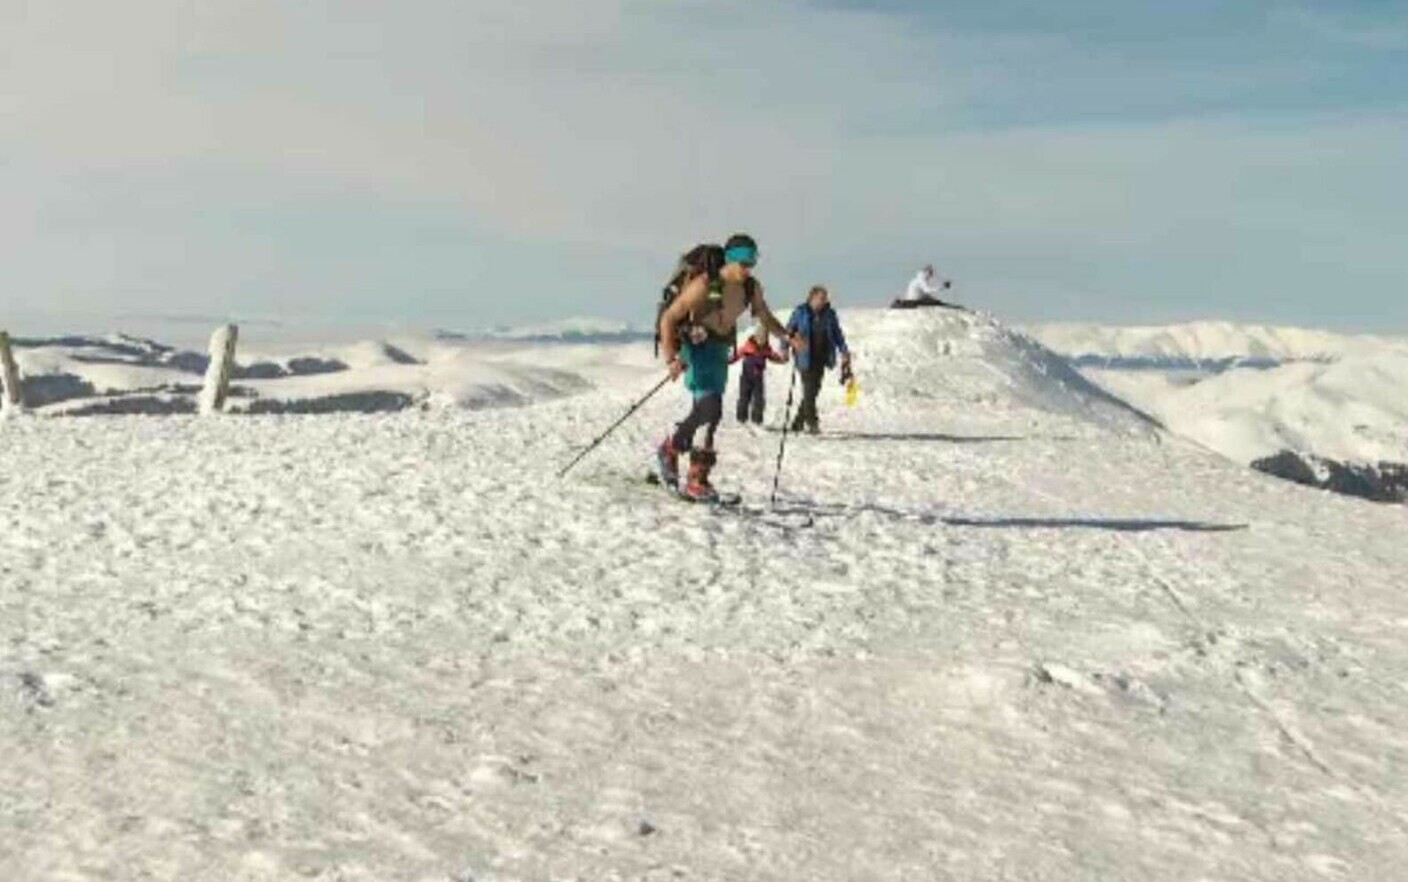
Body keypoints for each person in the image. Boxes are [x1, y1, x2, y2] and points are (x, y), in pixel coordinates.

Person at [657, 233, 799, 500]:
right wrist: (671, 358)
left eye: (752, 263)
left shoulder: (750, 288)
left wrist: (788, 336)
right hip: (696, 349)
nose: (748, 269)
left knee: (713, 415)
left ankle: (697, 476)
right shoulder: (704, 284)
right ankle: (672, 450)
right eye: (744, 263)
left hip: (720, 350)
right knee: (710, 406)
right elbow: (669, 318)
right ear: (731, 260)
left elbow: (765, 316)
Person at [786, 285, 851, 435]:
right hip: (804, 356)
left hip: (822, 357)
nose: (824, 300)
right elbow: (788, 330)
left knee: (813, 391)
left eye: (825, 298)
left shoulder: (829, 314)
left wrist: (844, 351)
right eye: (821, 298)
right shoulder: (800, 312)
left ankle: (797, 422)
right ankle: (812, 422)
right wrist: (785, 347)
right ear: (812, 298)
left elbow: (837, 334)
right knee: (809, 390)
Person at [730, 326, 789, 425]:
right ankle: (741, 418)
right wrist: (726, 360)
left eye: (764, 339)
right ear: (756, 337)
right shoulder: (748, 346)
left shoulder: (766, 348)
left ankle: (757, 419)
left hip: (758, 378)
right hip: (746, 377)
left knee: (759, 398)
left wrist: (783, 360)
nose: (762, 341)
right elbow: (736, 356)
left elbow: (773, 357)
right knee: (744, 396)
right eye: (760, 338)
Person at [891, 264, 956, 309]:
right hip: (915, 300)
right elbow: (927, 290)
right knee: (935, 303)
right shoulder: (921, 280)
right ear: (926, 272)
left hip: (917, 299)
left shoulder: (917, 279)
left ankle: (901, 302)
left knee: (934, 301)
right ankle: (900, 303)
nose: (931, 276)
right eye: (930, 273)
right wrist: (942, 287)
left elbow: (924, 293)